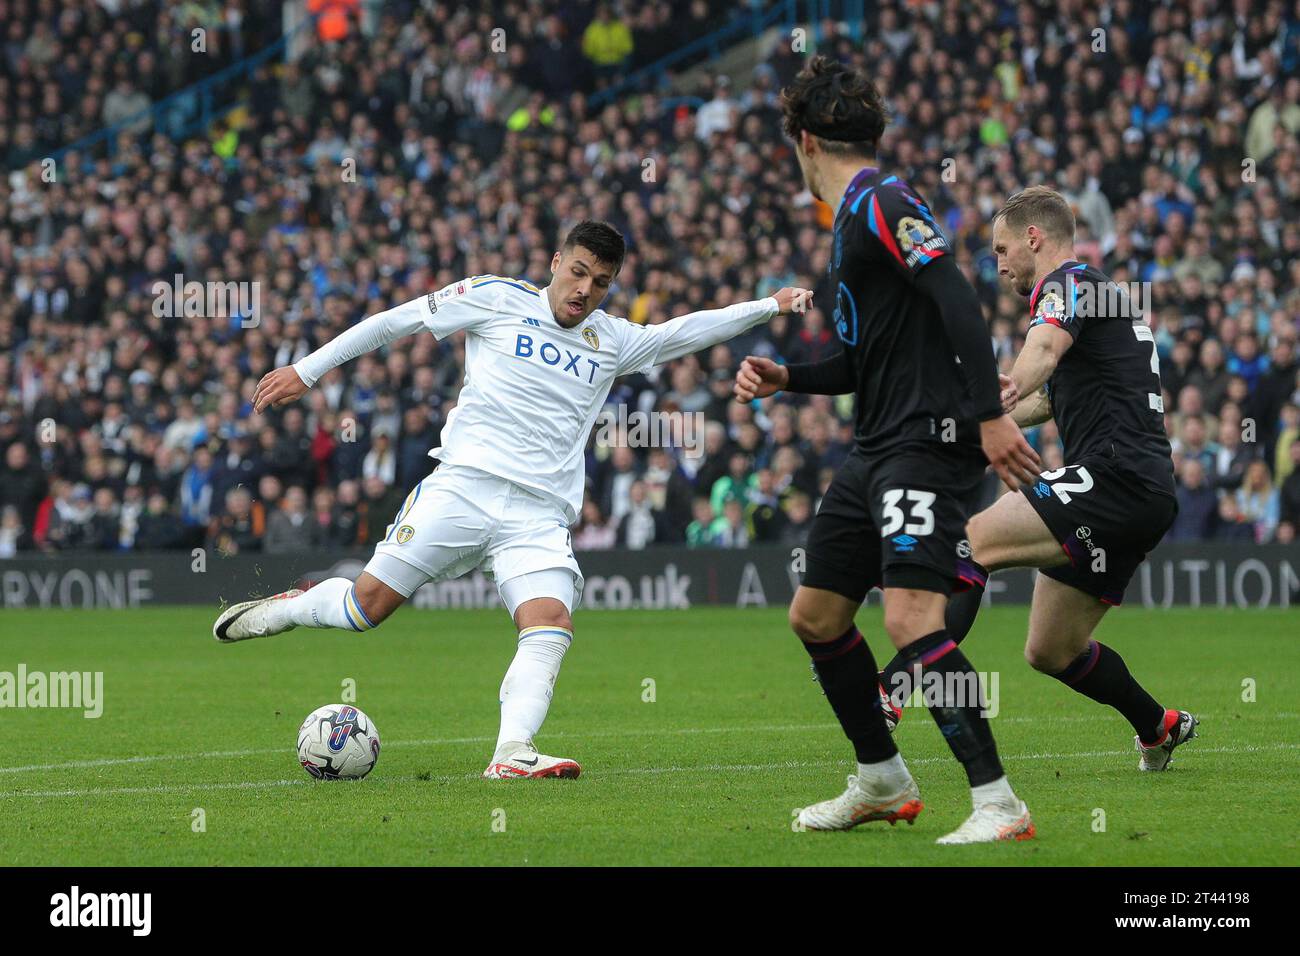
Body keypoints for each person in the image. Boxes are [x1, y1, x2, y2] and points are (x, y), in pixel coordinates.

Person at [213, 220, 812, 780]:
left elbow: (688, 330)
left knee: (549, 621)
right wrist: (308, 371)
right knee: (364, 610)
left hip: (539, 512)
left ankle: (511, 753)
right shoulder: (496, 296)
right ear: (555, 262)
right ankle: (288, 609)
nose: (585, 290)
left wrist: (769, 305)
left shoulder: (615, 340)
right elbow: (394, 322)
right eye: (577, 272)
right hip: (463, 486)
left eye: (601, 282)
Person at [734, 57, 1040, 844]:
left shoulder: (885, 199)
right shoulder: (852, 220)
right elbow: (858, 361)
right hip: (875, 449)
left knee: (910, 618)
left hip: (924, 448)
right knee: (817, 613)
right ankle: (880, 779)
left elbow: (958, 298)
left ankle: (998, 803)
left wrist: (988, 418)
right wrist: (787, 377)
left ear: (803, 140)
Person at [880, 186, 1196, 773]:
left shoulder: (1070, 283)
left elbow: (1042, 355)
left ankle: (889, 692)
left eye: (1002, 249)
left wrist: (998, 393)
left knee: (967, 543)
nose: (997, 264)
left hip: (1115, 478)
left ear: (1034, 238)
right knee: (1051, 650)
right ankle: (1159, 726)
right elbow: (1050, 397)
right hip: (1143, 491)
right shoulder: (1106, 297)